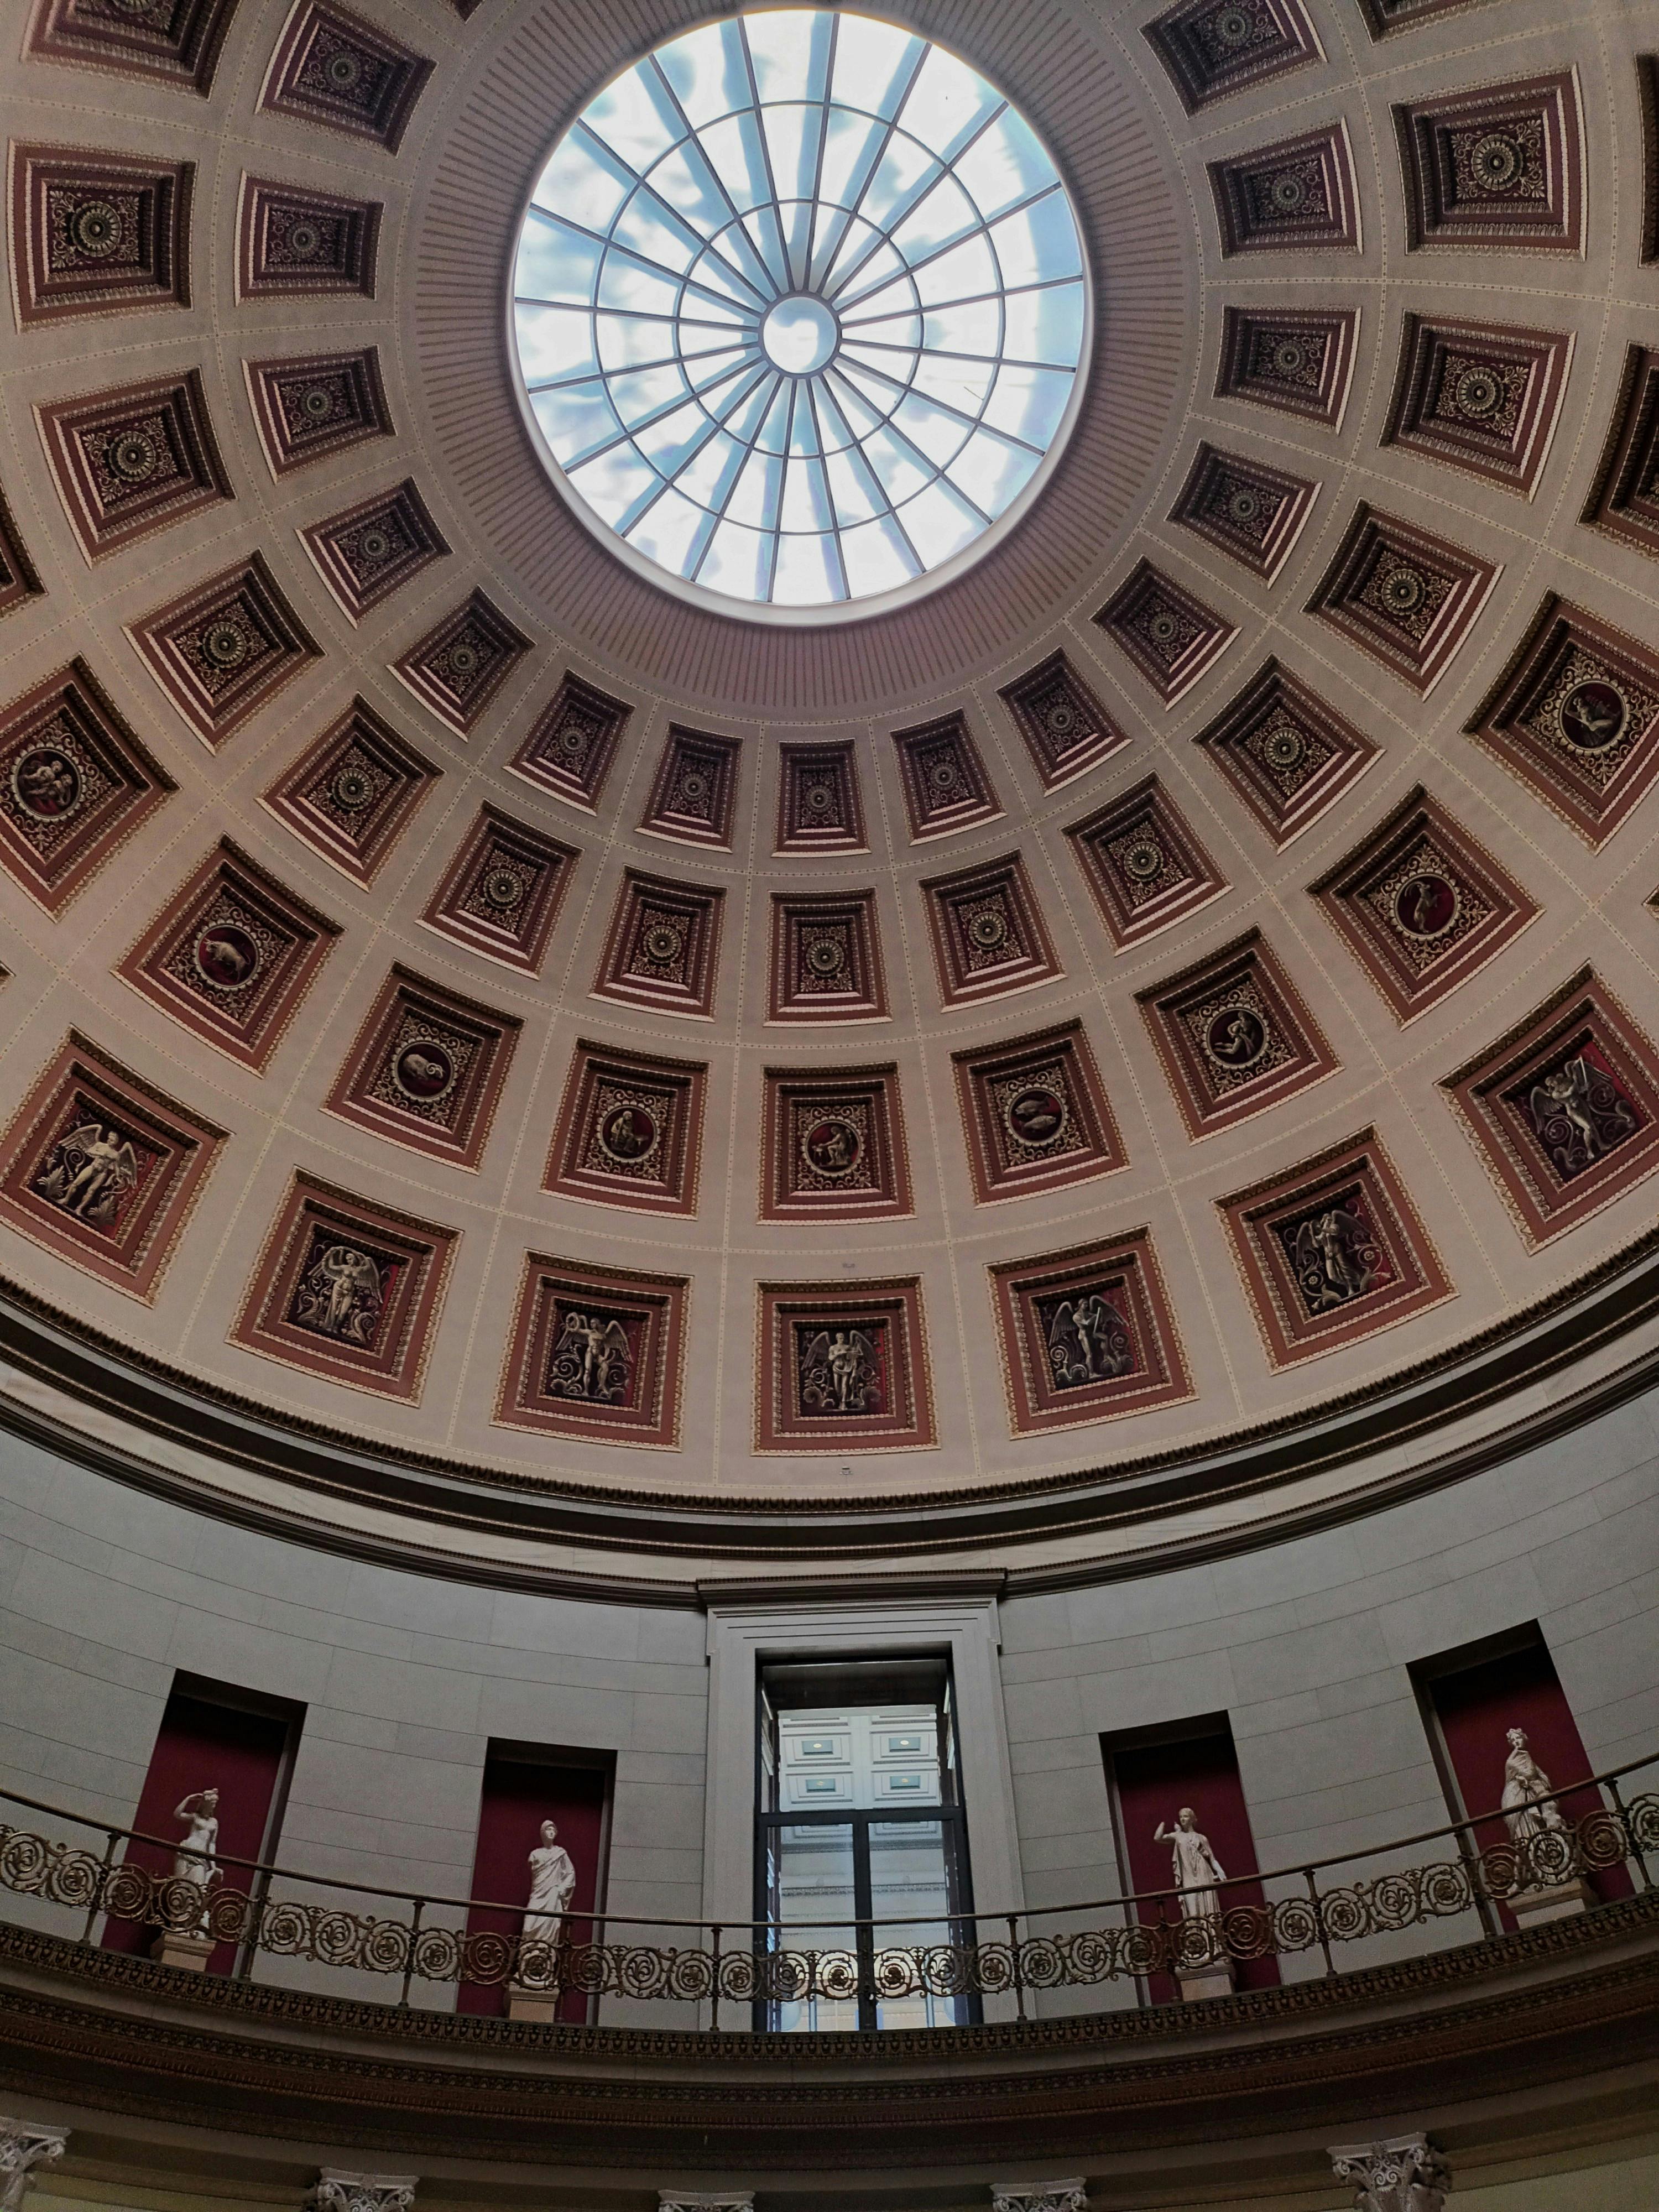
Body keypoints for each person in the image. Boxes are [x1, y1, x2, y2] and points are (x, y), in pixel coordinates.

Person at [1153, 1806, 1226, 1924]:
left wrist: (1220, 1871)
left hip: (1204, 1873)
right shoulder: (1178, 1836)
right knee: (1193, 1914)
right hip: (1188, 1876)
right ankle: (1199, 1940)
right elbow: (1158, 1838)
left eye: (1186, 1816)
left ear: (1192, 1819)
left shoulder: (1202, 1838)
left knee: (1210, 1911)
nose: (1182, 1819)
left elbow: (1212, 1858)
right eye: (1181, 1817)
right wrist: (1163, 1821)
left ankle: (1213, 1940)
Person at [1500, 1727, 1568, 1846]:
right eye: (1513, 1740)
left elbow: (1541, 1776)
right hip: (1518, 1798)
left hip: (1532, 1796)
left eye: (1518, 1738)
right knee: (1528, 1828)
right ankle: (1536, 1854)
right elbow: (1529, 1775)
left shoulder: (1526, 1756)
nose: (1516, 1742)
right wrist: (1525, 1782)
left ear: (1524, 1739)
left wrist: (1538, 1783)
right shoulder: (1512, 1762)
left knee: (1541, 1825)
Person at [522, 1819, 577, 1955]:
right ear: (542, 1833)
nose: (551, 1832)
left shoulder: (560, 1853)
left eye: (553, 1829)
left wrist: (562, 1889)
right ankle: (527, 1961)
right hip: (538, 1894)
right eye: (548, 1829)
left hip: (552, 1894)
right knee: (529, 1925)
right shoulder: (535, 1854)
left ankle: (545, 1965)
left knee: (550, 1929)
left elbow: (570, 1873)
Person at [171, 1788, 220, 1934]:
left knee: (197, 1890)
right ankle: (176, 1922)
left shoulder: (214, 1822)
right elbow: (177, 1814)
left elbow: (212, 1844)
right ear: (204, 1805)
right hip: (185, 1852)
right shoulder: (194, 1817)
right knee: (180, 1887)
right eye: (211, 1804)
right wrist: (189, 1798)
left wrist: (214, 1865)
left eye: (214, 1805)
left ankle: (189, 1923)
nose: (213, 1807)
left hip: (200, 1859)